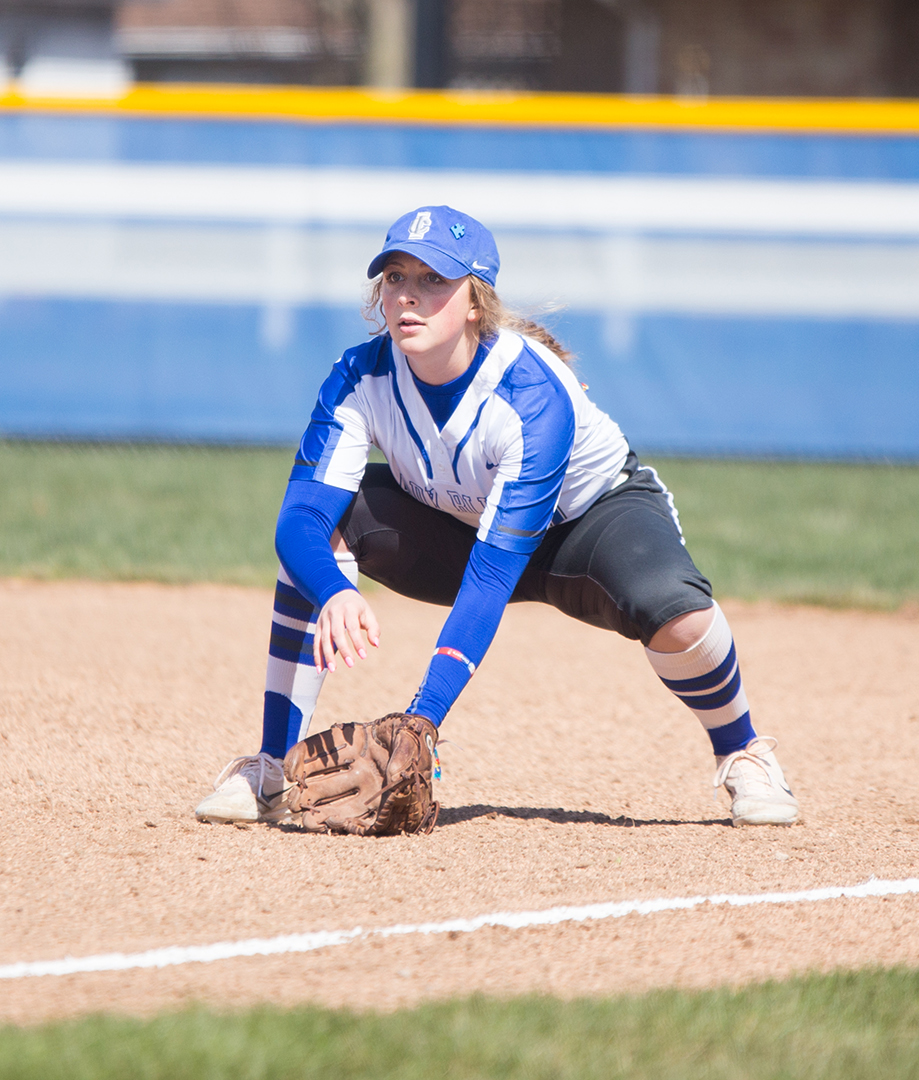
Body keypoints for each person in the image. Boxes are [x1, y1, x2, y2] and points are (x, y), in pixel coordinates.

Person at [194, 205, 799, 828]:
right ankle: (271, 769)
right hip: (456, 527)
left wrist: (422, 722)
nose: (408, 296)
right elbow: (300, 518)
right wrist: (333, 590)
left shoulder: (530, 396)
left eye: (434, 280)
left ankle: (744, 752)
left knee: (677, 611)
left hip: (586, 528)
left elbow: (490, 577)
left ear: (475, 302)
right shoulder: (361, 376)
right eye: (396, 277)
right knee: (324, 537)